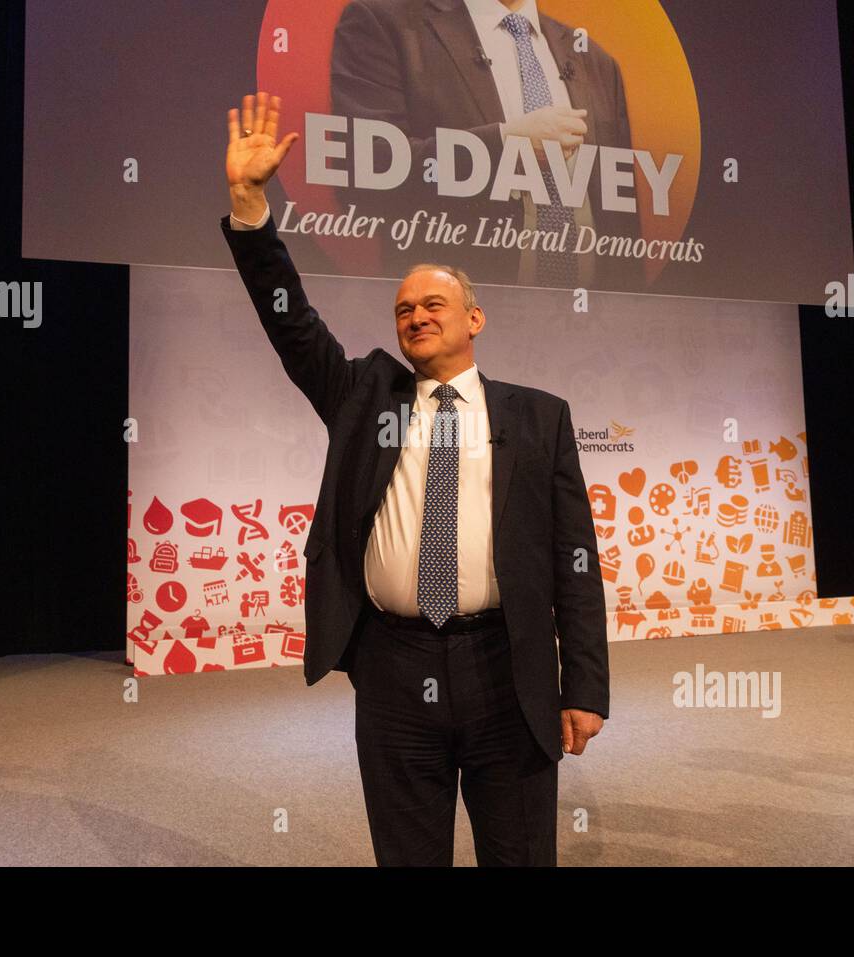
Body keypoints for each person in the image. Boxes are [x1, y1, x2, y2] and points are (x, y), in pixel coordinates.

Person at [222, 92, 609, 866]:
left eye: (434, 302)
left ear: (475, 319)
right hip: (393, 667)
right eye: (403, 308)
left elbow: (576, 560)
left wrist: (586, 684)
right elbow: (289, 320)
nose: (416, 315)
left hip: (507, 665)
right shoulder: (364, 393)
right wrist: (250, 205)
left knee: (520, 854)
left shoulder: (539, 418)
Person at [329, 0, 641, 290]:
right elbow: (367, 173)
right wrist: (504, 146)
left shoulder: (596, 61)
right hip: (456, 321)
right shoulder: (385, 24)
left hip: (597, 329)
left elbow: (623, 223)